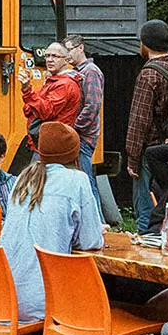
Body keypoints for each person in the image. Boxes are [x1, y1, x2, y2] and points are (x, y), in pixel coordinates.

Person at [0, 122, 104, 335]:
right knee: (101, 302)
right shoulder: (77, 181)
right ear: (73, 154)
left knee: (63, 290)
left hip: (4, 296)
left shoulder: (21, 179)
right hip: (44, 303)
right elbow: (92, 241)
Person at [125, 19, 168, 233]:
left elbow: (139, 120)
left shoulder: (149, 73)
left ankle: (145, 241)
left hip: (152, 150)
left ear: (145, 44)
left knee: (145, 206)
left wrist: (133, 158)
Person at [62, 34, 104, 206]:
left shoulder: (90, 71)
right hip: (77, 136)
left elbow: (92, 106)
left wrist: (73, 129)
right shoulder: (76, 73)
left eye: (69, 50)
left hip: (83, 137)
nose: (67, 55)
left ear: (81, 48)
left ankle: (99, 224)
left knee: (87, 184)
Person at [19, 42, 83, 131]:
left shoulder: (65, 84)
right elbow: (28, 110)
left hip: (53, 139)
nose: (49, 59)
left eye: (55, 56)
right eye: (47, 56)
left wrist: (27, 91)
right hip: (44, 138)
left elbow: (45, 112)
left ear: (66, 60)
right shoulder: (54, 81)